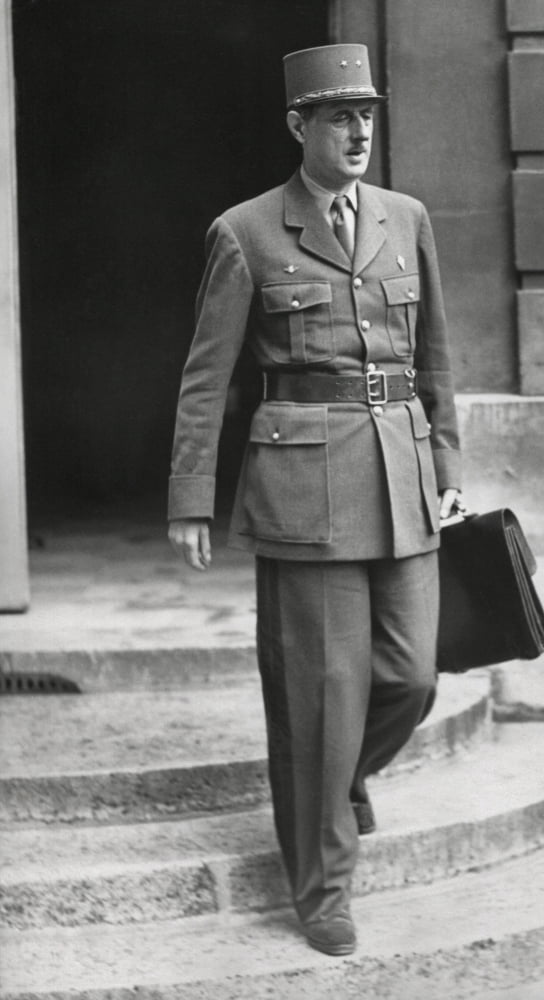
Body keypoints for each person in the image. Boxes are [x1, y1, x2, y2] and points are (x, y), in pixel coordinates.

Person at [168, 43, 460, 956]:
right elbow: (205, 378)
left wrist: (447, 463)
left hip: (402, 476)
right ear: (300, 127)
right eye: (339, 115)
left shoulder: (406, 218)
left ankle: (336, 788)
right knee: (319, 698)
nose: (359, 129)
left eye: (366, 113)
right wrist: (190, 494)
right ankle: (322, 891)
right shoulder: (247, 231)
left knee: (410, 676)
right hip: (305, 487)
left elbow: (437, 356)